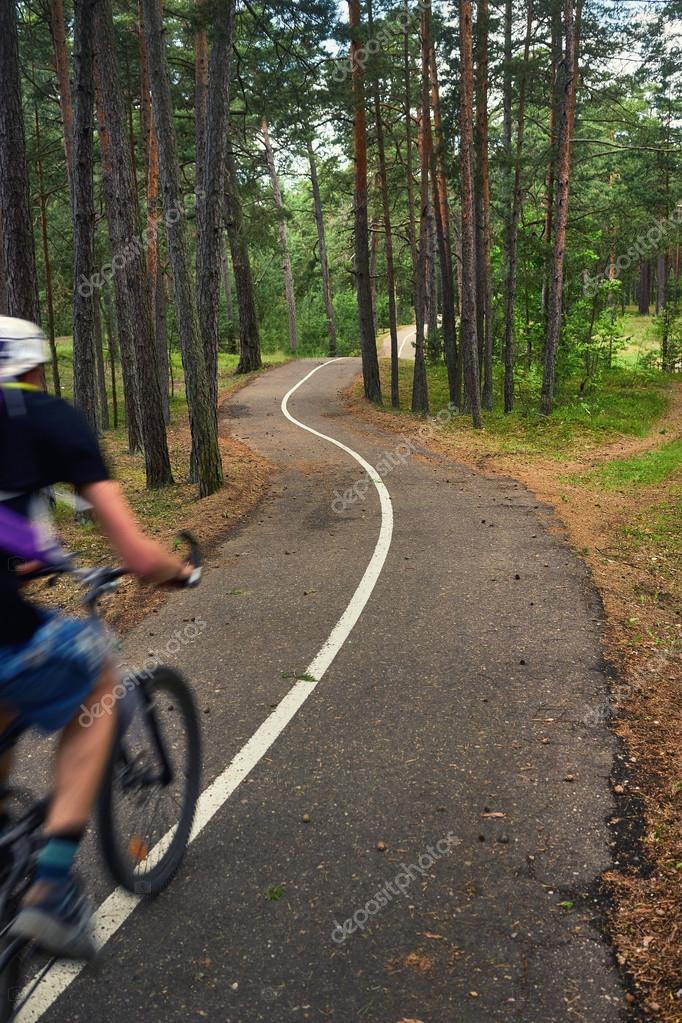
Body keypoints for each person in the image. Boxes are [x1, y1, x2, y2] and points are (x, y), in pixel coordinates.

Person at [0, 316, 192, 958]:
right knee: (99, 685)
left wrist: (28, 552)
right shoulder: (49, 419)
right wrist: (180, 570)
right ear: (32, 367)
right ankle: (51, 890)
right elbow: (138, 556)